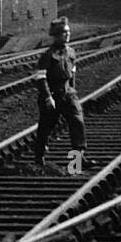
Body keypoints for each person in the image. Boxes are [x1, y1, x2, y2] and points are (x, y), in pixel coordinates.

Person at [33, 17, 92, 173]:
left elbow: (72, 75)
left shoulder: (71, 52)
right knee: (46, 127)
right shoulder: (48, 55)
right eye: (64, 33)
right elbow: (40, 78)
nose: (67, 35)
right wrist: (47, 97)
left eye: (68, 32)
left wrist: (73, 92)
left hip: (68, 94)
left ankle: (77, 163)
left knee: (77, 123)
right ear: (56, 35)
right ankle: (38, 159)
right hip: (52, 94)